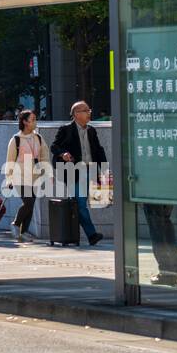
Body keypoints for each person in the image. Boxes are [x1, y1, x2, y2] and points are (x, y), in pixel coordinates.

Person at [50, 101, 107, 246]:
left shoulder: (91, 130)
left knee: (90, 202)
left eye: (89, 110)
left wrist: (105, 170)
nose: (89, 113)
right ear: (76, 114)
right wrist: (63, 153)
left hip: (91, 170)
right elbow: (54, 146)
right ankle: (91, 234)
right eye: (86, 110)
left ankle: (73, 235)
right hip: (75, 172)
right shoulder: (66, 130)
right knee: (80, 203)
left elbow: (99, 150)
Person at [5, 109, 49, 242]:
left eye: (35, 119)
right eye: (33, 119)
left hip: (34, 177)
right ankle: (16, 224)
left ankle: (23, 232)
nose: (35, 122)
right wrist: (9, 178)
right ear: (24, 122)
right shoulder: (16, 140)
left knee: (31, 204)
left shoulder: (38, 138)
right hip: (20, 177)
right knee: (28, 202)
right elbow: (10, 160)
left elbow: (44, 156)